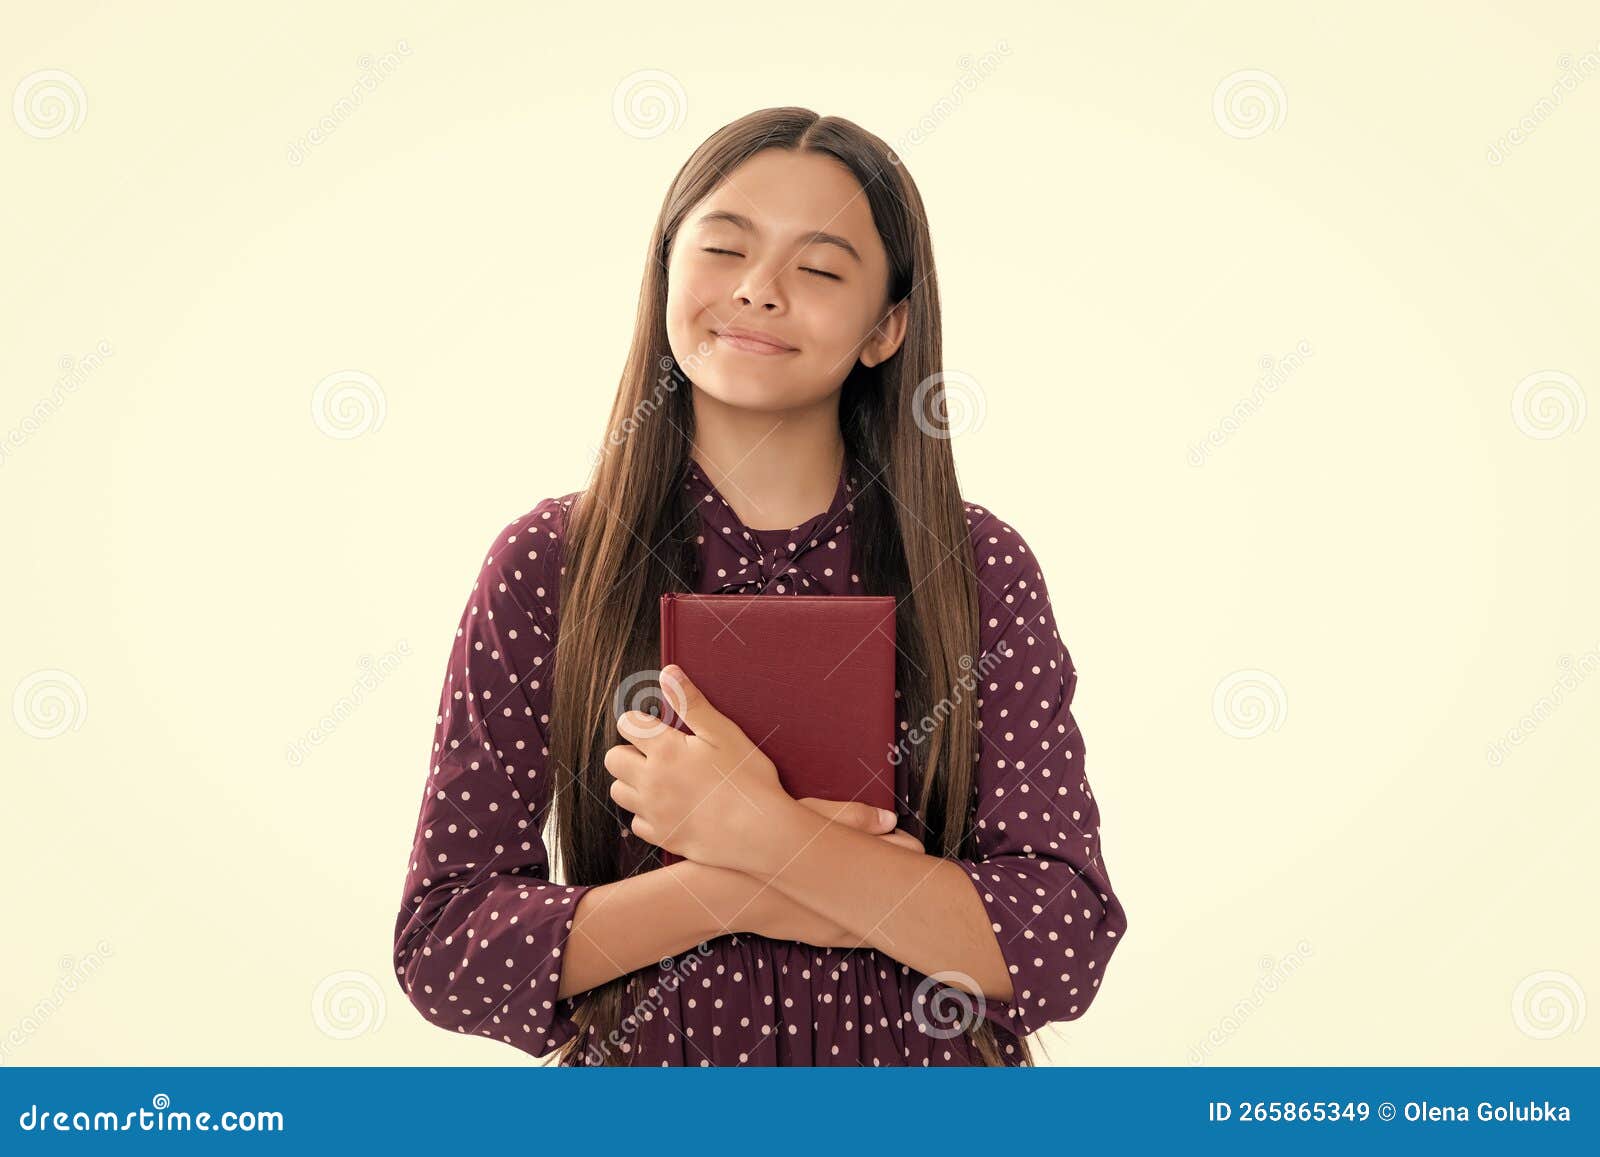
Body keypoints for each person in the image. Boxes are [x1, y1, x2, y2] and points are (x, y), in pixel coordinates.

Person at [391, 107, 1129, 1066]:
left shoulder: (976, 566)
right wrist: (744, 876)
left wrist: (765, 833)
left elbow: (1058, 941)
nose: (757, 291)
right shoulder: (551, 560)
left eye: (819, 270)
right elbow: (447, 948)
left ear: (887, 328)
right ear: (664, 275)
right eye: (723, 248)